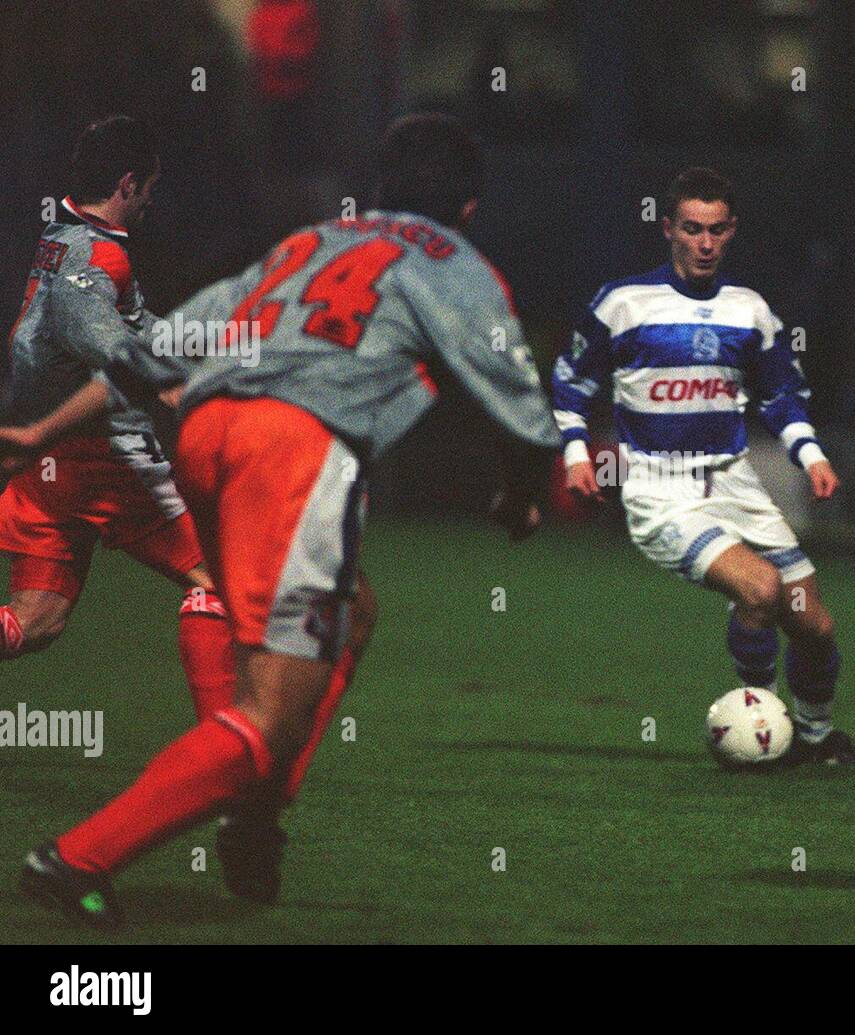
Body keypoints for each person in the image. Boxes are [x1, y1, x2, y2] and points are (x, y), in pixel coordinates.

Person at [17, 112, 561, 929]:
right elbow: (525, 418)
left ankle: (252, 810)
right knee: (271, 714)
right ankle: (81, 856)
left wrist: (36, 434)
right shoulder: (454, 261)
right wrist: (521, 498)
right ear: (471, 208)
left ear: (380, 189)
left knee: (352, 611)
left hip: (205, 436)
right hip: (293, 450)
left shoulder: (309, 242)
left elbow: (155, 353)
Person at [552, 166, 855, 766]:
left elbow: (780, 395)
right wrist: (575, 455)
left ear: (731, 233)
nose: (704, 243)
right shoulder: (625, 303)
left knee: (814, 626)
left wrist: (812, 456)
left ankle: (819, 740)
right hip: (659, 490)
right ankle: (765, 728)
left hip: (735, 483)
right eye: (692, 229)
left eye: (716, 231)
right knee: (761, 590)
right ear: (668, 228)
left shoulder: (748, 310)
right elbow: (570, 384)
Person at [0, 115, 236, 728]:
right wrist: (178, 387)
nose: (152, 200)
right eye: (149, 188)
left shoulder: (63, 236)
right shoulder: (97, 257)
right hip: (101, 460)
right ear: (128, 184)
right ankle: (229, 758)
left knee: (35, 620)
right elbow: (109, 342)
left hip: (47, 468)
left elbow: (131, 323)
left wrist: (206, 343)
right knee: (223, 577)